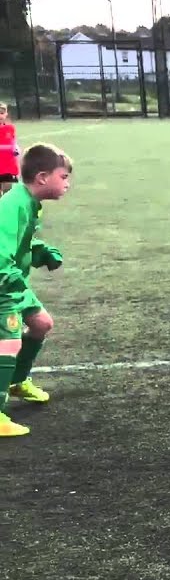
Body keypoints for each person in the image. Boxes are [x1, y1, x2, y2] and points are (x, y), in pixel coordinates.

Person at [0, 143, 72, 437]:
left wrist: (41, 251)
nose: (67, 183)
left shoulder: (29, 203)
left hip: (12, 280)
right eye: (64, 176)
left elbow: (22, 243)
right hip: (4, 282)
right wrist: (12, 282)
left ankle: (17, 381)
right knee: (9, 344)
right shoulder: (12, 205)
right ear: (43, 177)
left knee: (41, 324)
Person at [0, 103, 18, 194]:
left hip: (8, 168)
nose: (0, 116)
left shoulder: (10, 128)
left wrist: (16, 149)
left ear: (6, 114)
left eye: (2, 113)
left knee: (8, 195)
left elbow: (13, 142)